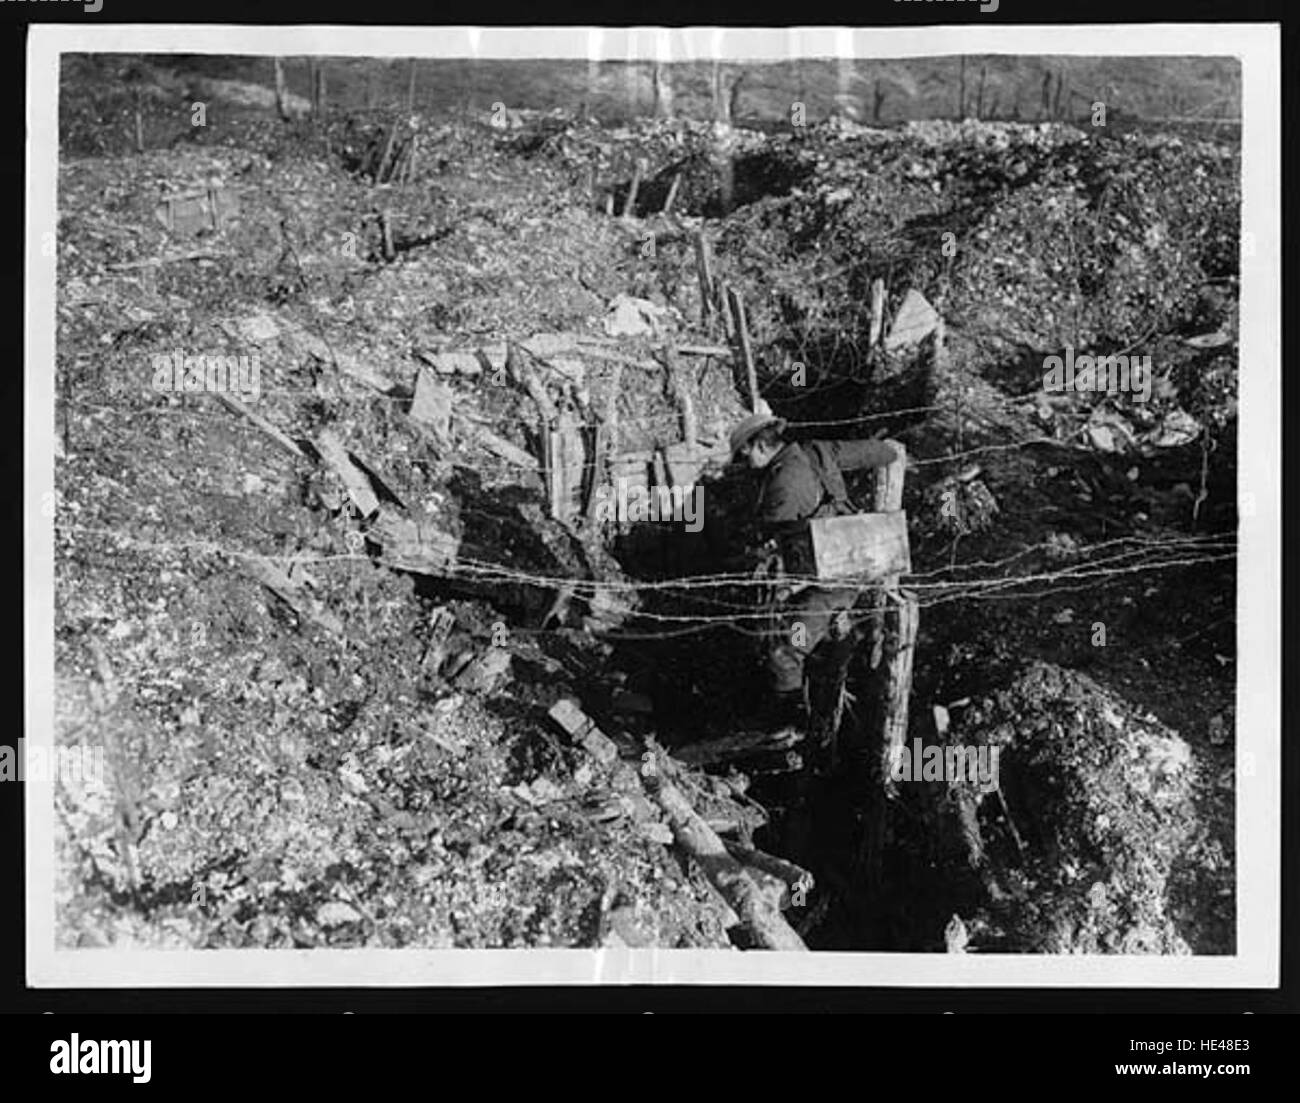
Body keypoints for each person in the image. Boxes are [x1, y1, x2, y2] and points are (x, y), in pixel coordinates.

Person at [729, 410, 900, 733]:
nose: (743, 461)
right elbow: (882, 452)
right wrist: (894, 452)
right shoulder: (817, 451)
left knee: (784, 650)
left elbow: (767, 542)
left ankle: (790, 727)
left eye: (744, 453)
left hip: (827, 586)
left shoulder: (783, 485)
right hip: (858, 562)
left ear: (761, 446)